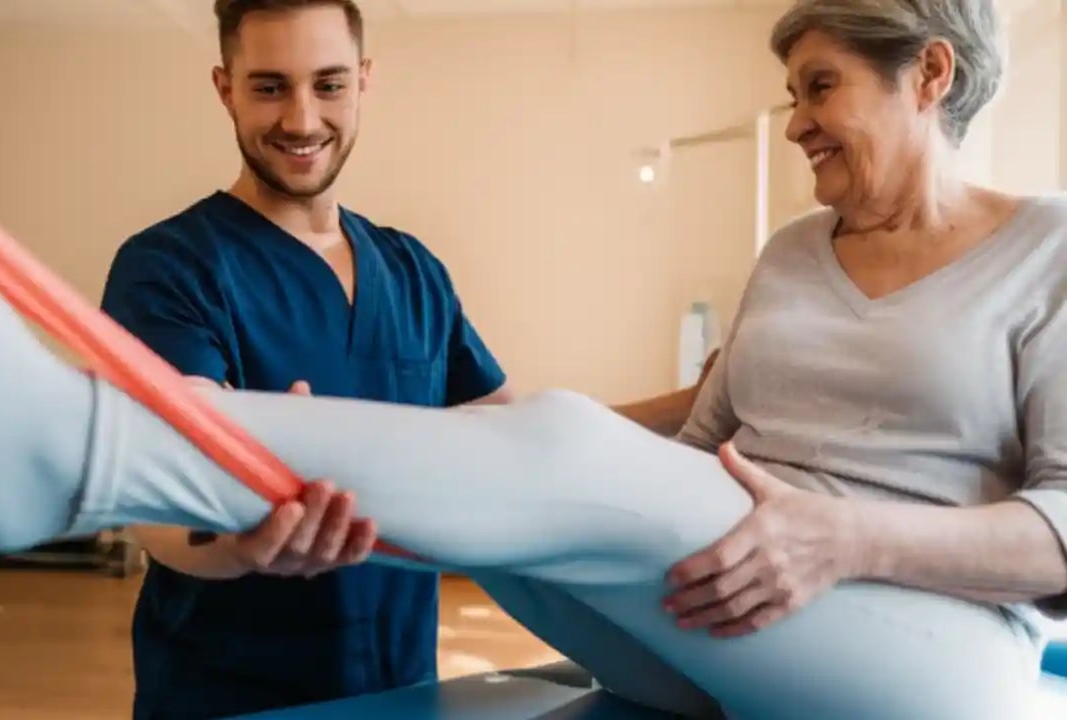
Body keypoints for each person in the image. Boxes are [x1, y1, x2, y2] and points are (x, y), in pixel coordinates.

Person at [0, 0, 1067, 716]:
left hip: (927, 646)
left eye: (816, 86)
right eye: (269, 86)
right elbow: (697, 441)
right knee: (511, 500)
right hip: (730, 620)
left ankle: (66, 445)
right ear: (226, 90)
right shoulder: (794, 251)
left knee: (551, 443)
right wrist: (492, 460)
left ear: (930, 76)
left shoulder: (1046, 252)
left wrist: (843, 537)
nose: (792, 117)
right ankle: (45, 457)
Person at [94, 1, 705, 717]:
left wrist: (688, 407)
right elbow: (163, 510)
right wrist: (246, 541)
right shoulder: (169, 267)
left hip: (402, 691)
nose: (300, 119)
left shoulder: (412, 270)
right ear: (225, 87)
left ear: (363, 81)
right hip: (226, 697)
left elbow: (522, 450)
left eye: (327, 84)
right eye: (269, 87)